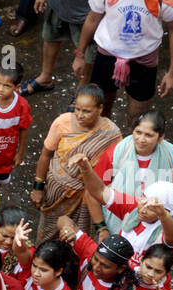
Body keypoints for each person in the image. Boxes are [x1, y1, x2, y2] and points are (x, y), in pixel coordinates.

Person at [74, 0, 173, 122]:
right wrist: (79, 55)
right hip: (107, 55)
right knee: (101, 109)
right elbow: (93, 18)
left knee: (137, 116)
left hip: (144, 59)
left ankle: (132, 148)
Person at [31, 84, 121, 240]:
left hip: (86, 197)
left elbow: (112, 169)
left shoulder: (111, 133)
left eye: (86, 111)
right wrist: (38, 187)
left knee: (78, 238)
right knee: (48, 237)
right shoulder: (62, 122)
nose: (80, 115)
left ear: (100, 109)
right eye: (77, 109)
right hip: (55, 193)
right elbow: (46, 154)